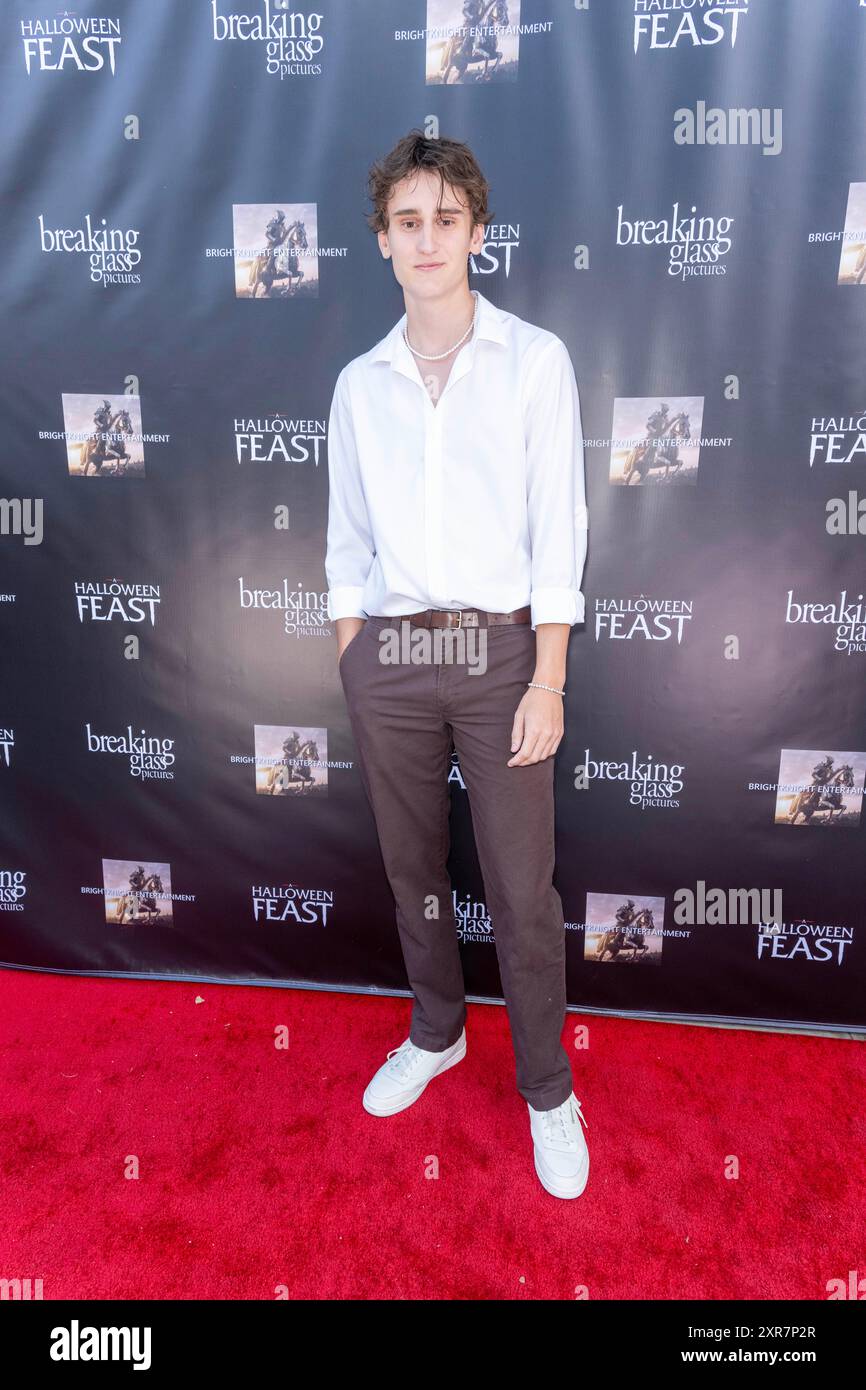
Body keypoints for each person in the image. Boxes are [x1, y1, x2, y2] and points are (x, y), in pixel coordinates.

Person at [325, 130, 589, 1199]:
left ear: (476, 233)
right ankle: (435, 1032)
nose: (425, 239)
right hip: (388, 654)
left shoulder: (534, 361)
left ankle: (545, 1091)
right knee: (412, 873)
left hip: (500, 654)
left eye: (445, 219)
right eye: (406, 222)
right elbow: (346, 542)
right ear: (382, 241)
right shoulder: (358, 385)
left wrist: (547, 675)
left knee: (522, 892)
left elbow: (557, 530)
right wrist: (357, 655)